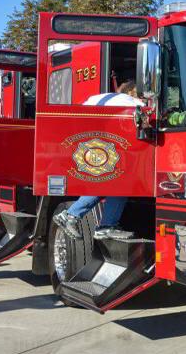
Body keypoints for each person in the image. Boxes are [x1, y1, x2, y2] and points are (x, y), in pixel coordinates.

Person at [54, 81, 143, 241]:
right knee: (118, 184)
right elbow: (147, 114)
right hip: (106, 146)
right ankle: (79, 218)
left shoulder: (100, 99)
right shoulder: (129, 101)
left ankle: (79, 218)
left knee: (107, 183)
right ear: (130, 92)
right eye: (139, 92)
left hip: (89, 144)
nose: (141, 96)